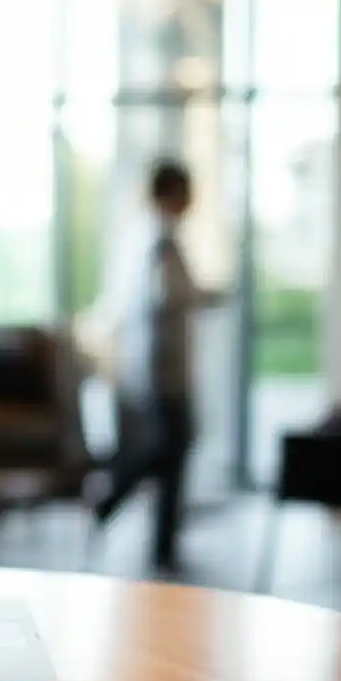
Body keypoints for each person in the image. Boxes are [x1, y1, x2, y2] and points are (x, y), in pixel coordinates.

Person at [90, 159, 222, 571]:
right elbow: (163, 299)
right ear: (172, 193)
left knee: (168, 449)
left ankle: (156, 536)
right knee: (168, 448)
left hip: (154, 366)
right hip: (160, 369)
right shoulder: (158, 239)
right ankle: (115, 504)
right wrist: (204, 296)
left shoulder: (142, 235)